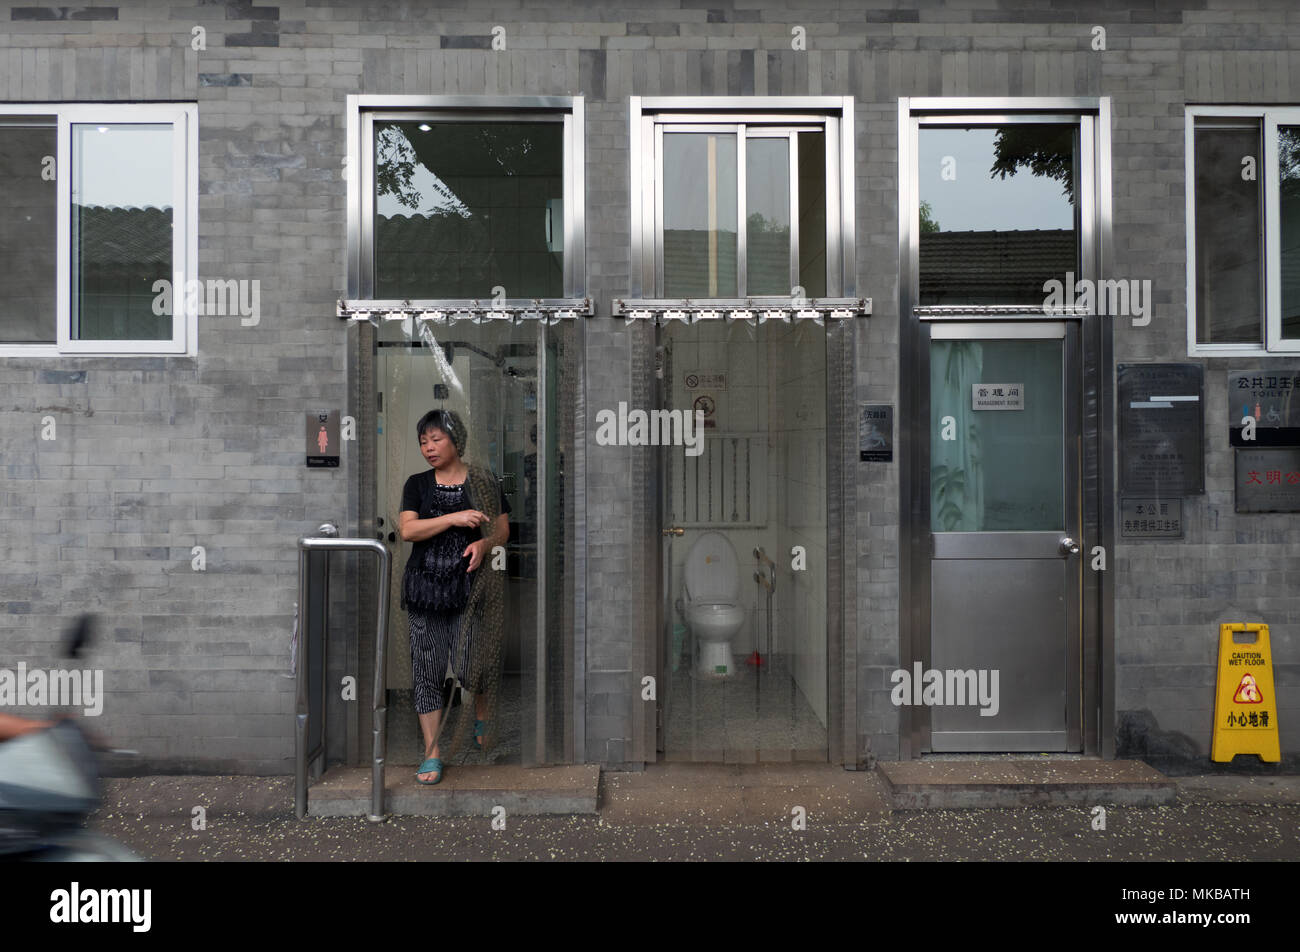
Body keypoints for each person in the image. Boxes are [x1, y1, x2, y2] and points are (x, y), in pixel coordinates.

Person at [398, 409, 510, 785]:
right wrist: (453, 518)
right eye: (423, 442)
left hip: (469, 590)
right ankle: (432, 753)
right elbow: (408, 531)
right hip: (425, 590)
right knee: (426, 671)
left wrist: (484, 542)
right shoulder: (417, 484)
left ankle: (481, 713)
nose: (428, 448)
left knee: (469, 667)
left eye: (436, 440)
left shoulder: (483, 480)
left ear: (455, 440)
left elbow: (504, 529)